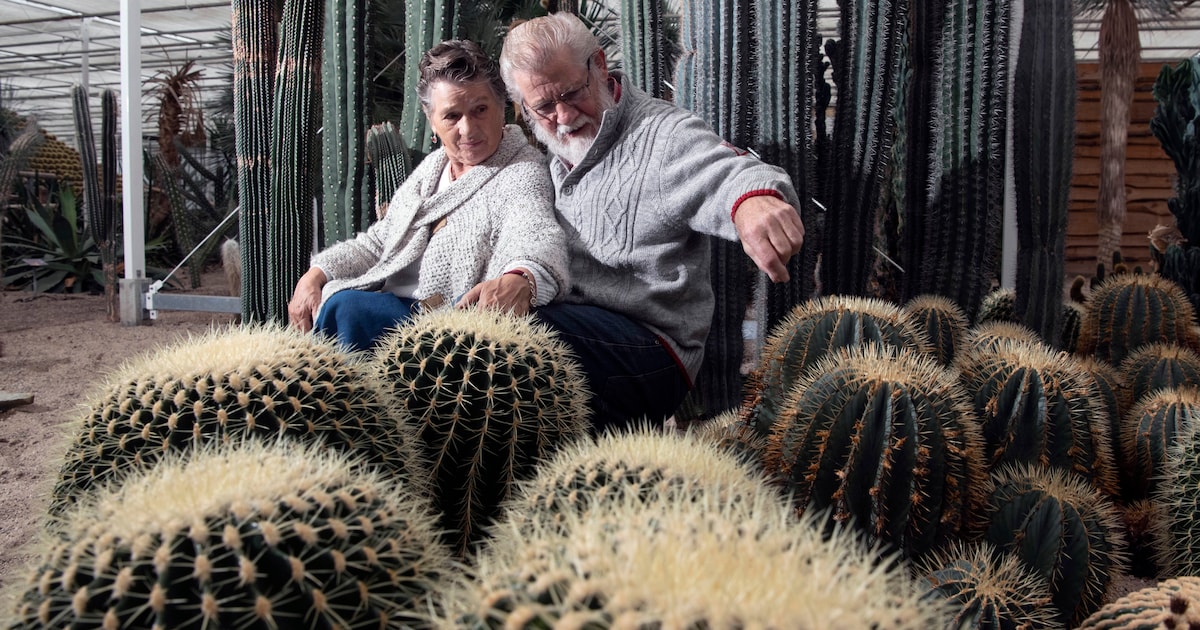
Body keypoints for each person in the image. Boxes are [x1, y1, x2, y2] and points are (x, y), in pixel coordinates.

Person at [500, 13, 806, 431]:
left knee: (499, 337)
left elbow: (727, 172)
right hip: (580, 335)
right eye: (544, 107)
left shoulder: (661, 135)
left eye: (572, 93)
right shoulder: (547, 154)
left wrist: (753, 203)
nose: (565, 115)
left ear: (599, 65)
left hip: (650, 349)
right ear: (524, 109)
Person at [288, 40, 568, 350]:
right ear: (430, 117)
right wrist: (317, 274)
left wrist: (523, 276)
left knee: (346, 308)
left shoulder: (522, 171)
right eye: (452, 116)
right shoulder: (432, 170)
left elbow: (534, 233)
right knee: (337, 303)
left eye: (480, 110)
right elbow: (381, 242)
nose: (468, 129)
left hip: (438, 330)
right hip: (387, 306)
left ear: (502, 107)